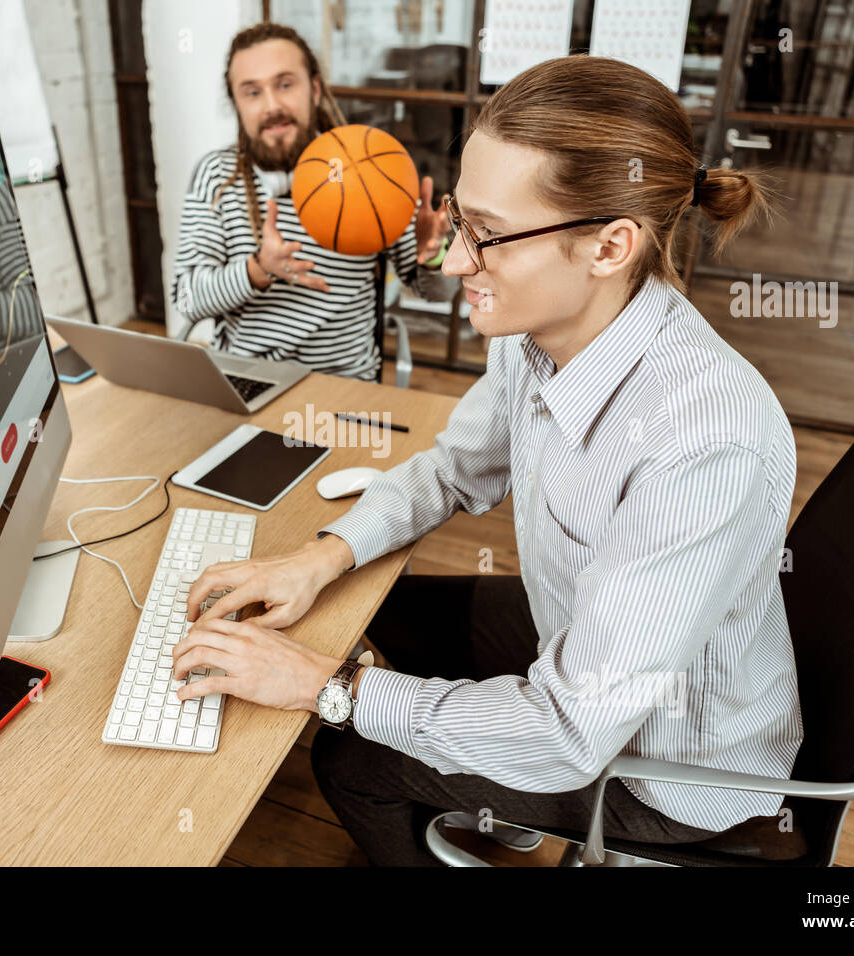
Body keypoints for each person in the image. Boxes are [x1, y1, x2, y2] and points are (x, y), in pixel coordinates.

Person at [171, 54, 804, 866]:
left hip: (664, 767)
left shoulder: (704, 441)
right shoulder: (544, 335)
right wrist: (317, 559)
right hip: (576, 641)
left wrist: (323, 688)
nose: (458, 260)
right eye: (462, 222)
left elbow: (573, 732)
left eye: (490, 235)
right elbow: (453, 470)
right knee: (374, 606)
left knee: (348, 756)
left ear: (610, 245)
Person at [171, 22, 455, 381]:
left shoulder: (371, 167)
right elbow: (186, 299)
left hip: (346, 386)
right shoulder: (216, 175)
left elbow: (437, 294)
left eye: (285, 84)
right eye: (252, 92)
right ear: (236, 103)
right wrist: (257, 270)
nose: (272, 105)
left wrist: (434, 255)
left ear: (315, 88)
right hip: (247, 381)